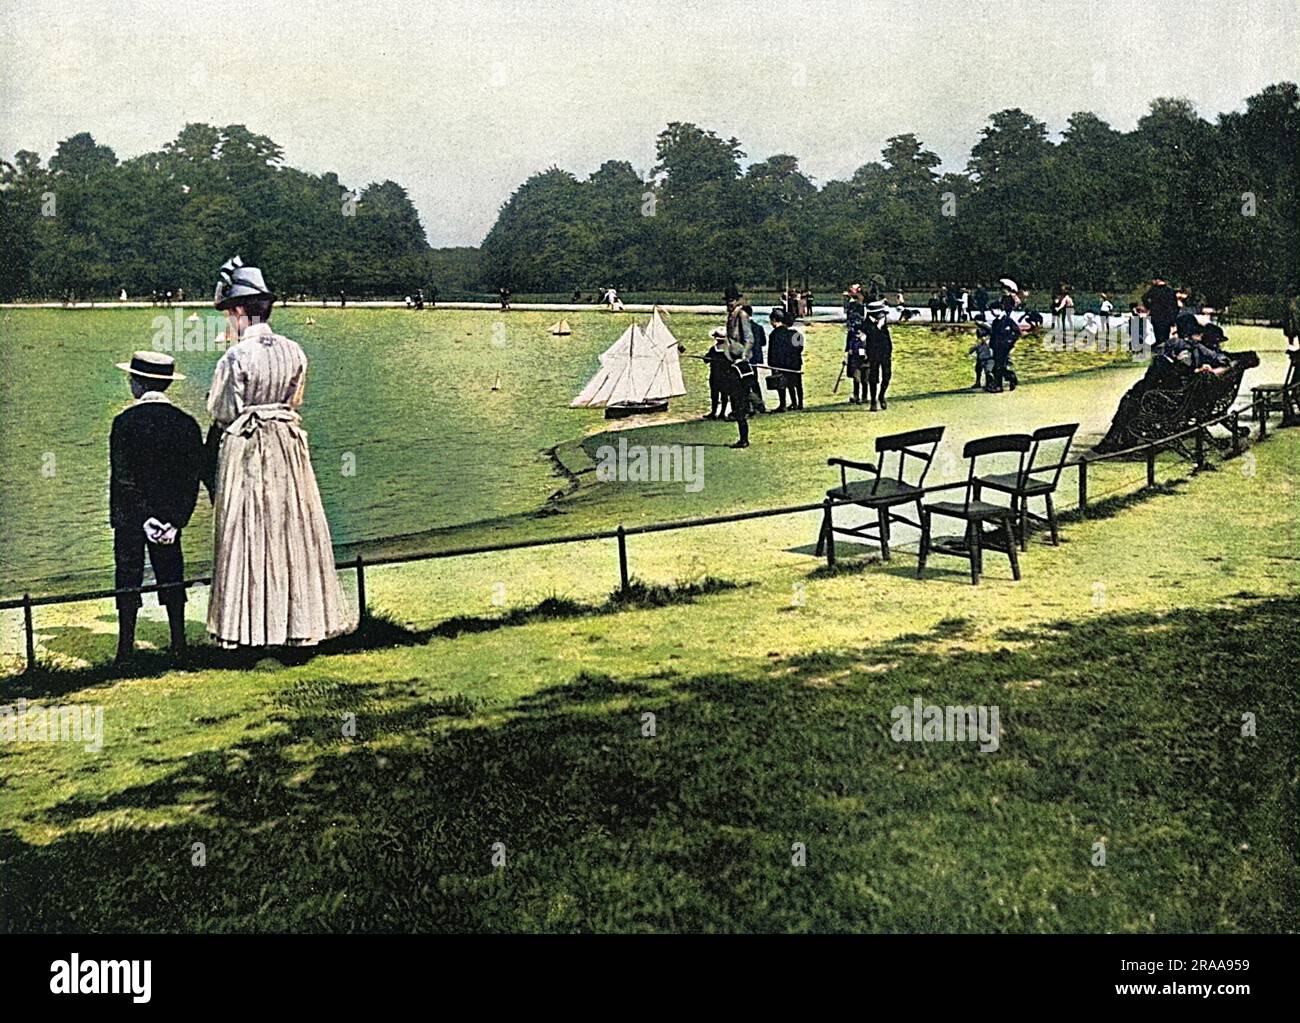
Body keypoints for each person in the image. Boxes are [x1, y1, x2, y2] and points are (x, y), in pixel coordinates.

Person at [207, 256, 353, 649]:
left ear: (239, 311)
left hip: (249, 447)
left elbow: (223, 412)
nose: (229, 322)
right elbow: (295, 400)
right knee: (292, 528)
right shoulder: (295, 351)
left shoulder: (235, 357)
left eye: (229, 314)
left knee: (247, 529)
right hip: (288, 447)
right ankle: (297, 628)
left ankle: (245, 631)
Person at [109, 351, 206, 662]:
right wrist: (175, 520)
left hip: (130, 519)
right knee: (171, 575)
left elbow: (124, 480)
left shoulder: (123, 423)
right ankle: (179, 644)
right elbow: (191, 479)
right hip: (169, 519)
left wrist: (143, 519)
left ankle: (125, 650)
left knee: (128, 576)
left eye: (131, 379)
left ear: (138, 384)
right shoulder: (187, 425)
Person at [766, 307, 805, 411]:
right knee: (797, 383)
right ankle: (799, 403)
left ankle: (783, 404)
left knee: (782, 384)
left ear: (774, 320)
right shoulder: (795, 334)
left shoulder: (774, 335)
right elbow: (800, 348)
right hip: (795, 363)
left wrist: (771, 364)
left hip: (781, 364)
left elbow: (773, 352)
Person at [862, 299, 893, 411]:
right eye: (881, 313)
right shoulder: (866, 325)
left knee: (887, 376)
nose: (883, 315)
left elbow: (887, 339)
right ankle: (874, 400)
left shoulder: (883, 324)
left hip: (885, 355)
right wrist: (878, 328)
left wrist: (889, 351)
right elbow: (867, 338)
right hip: (873, 355)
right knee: (873, 379)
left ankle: (881, 396)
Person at [988, 298, 1019, 392]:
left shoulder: (1007, 320)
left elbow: (1017, 332)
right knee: (997, 367)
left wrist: (1010, 342)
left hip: (1005, 347)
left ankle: (999, 386)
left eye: (993, 310)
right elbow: (993, 335)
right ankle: (1010, 377)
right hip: (996, 347)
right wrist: (991, 346)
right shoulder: (995, 322)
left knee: (999, 366)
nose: (992, 312)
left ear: (999, 309)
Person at [844, 286, 868, 404]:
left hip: (865, 356)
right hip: (854, 355)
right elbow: (848, 346)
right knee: (856, 378)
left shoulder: (867, 333)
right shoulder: (851, 333)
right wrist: (846, 354)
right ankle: (856, 395)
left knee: (865, 379)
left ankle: (864, 396)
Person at [1142, 276, 1178, 349]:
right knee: (1166, 335)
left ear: (1157, 280)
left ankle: (1159, 348)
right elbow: (1174, 306)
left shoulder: (1153, 290)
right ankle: (1165, 348)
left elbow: (1144, 298)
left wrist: (1149, 307)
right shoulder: (1170, 291)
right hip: (1167, 316)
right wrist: (1173, 318)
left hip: (1156, 315)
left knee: (1158, 334)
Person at [703, 328, 731, 420]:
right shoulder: (729, 350)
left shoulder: (713, 350)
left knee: (714, 395)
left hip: (715, 375)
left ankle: (714, 412)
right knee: (724, 395)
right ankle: (722, 412)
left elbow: (706, 360)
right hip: (726, 375)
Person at [744, 304, 767, 413]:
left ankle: (750, 406)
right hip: (755, 359)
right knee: (755, 382)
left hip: (746, 358)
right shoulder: (759, 327)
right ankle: (759, 404)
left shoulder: (743, 328)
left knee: (745, 382)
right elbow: (763, 342)